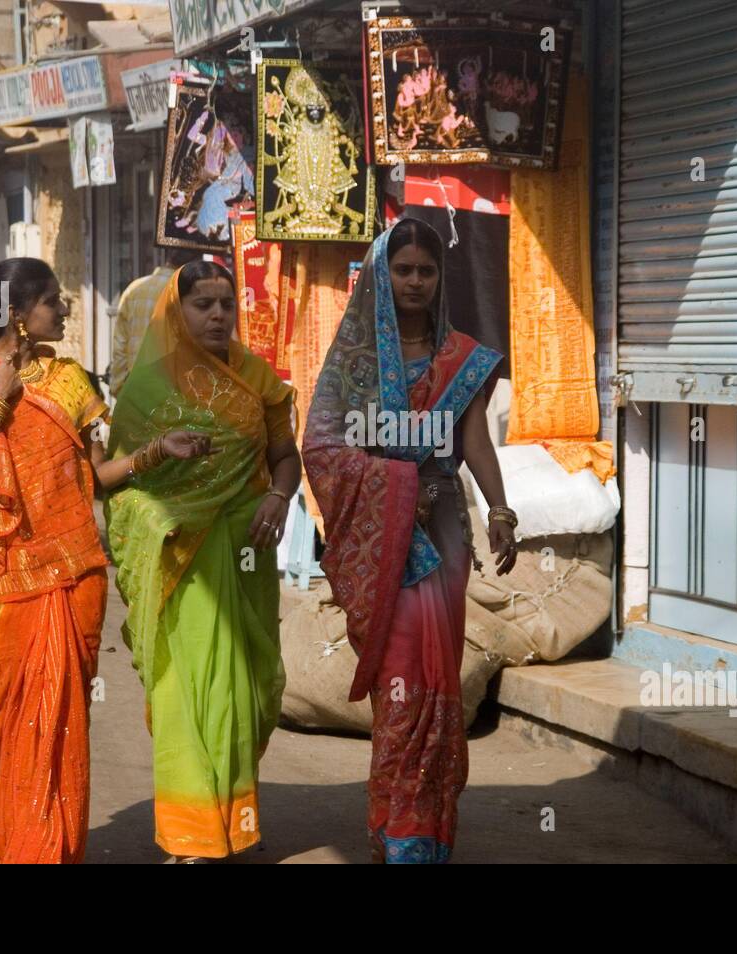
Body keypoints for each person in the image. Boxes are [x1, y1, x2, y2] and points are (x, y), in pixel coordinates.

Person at [0, 257, 210, 864]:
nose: (66, 309)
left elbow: (98, 477)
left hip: (75, 569)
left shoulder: (72, 381)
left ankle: (44, 845)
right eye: (54, 300)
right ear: (18, 315)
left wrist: (158, 452)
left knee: (59, 719)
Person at [303, 218, 517, 864]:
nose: (416, 281)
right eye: (404, 270)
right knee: (400, 683)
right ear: (381, 276)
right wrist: (394, 485)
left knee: (437, 679)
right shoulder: (354, 362)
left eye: (427, 270)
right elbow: (320, 446)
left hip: (444, 533)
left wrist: (500, 508)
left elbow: (473, 438)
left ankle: (425, 829)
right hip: (388, 537)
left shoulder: (461, 357)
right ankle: (398, 827)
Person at [106, 259, 300, 862]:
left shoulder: (258, 378)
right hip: (180, 556)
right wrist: (158, 456)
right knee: (186, 690)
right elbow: (110, 482)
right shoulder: (146, 389)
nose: (217, 315)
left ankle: (235, 823)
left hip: (246, 550)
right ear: (177, 311)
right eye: (203, 305)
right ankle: (192, 835)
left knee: (242, 686)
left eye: (226, 305)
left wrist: (278, 495)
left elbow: (286, 457)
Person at [109, 248, 192, 399]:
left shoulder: (134, 289)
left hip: (138, 391)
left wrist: (118, 389)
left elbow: (120, 346)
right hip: (175, 394)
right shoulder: (187, 292)